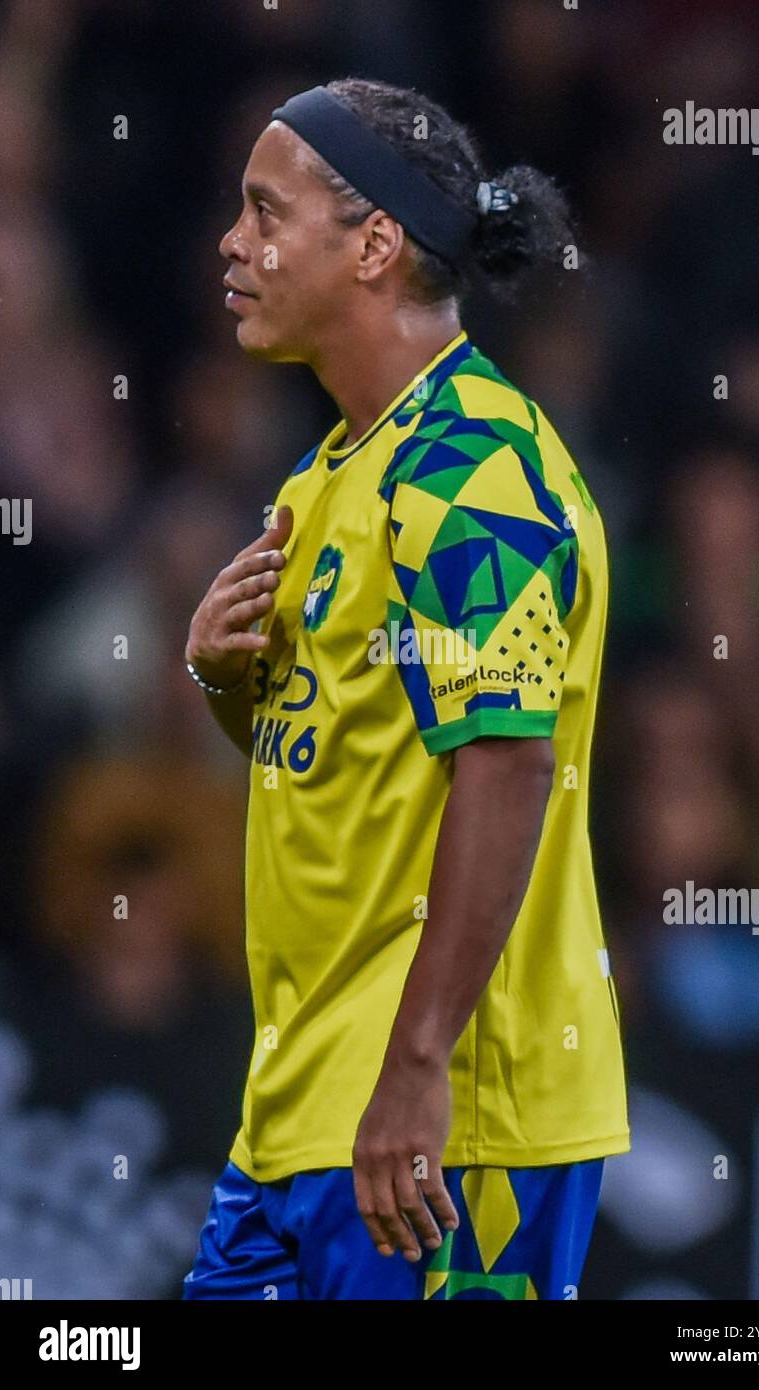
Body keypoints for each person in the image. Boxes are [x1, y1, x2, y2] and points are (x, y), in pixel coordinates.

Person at [182, 77, 629, 1301]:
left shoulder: (470, 468)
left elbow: (507, 757)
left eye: (264, 212)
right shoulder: (332, 475)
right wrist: (229, 684)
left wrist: (418, 1062)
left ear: (372, 243)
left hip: (444, 1126)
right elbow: (333, 760)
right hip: (301, 1113)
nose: (232, 242)